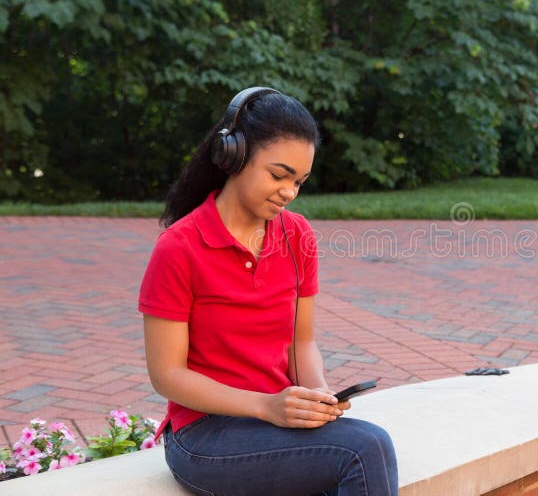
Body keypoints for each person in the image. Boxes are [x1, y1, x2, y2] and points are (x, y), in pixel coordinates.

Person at [138, 87, 398, 496]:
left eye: (299, 181)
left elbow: (301, 342)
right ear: (233, 157)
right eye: (278, 175)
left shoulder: (298, 235)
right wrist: (265, 406)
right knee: (364, 448)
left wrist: (316, 393)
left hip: (276, 422)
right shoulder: (179, 247)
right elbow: (167, 375)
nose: (289, 192)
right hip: (204, 435)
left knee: (364, 448)